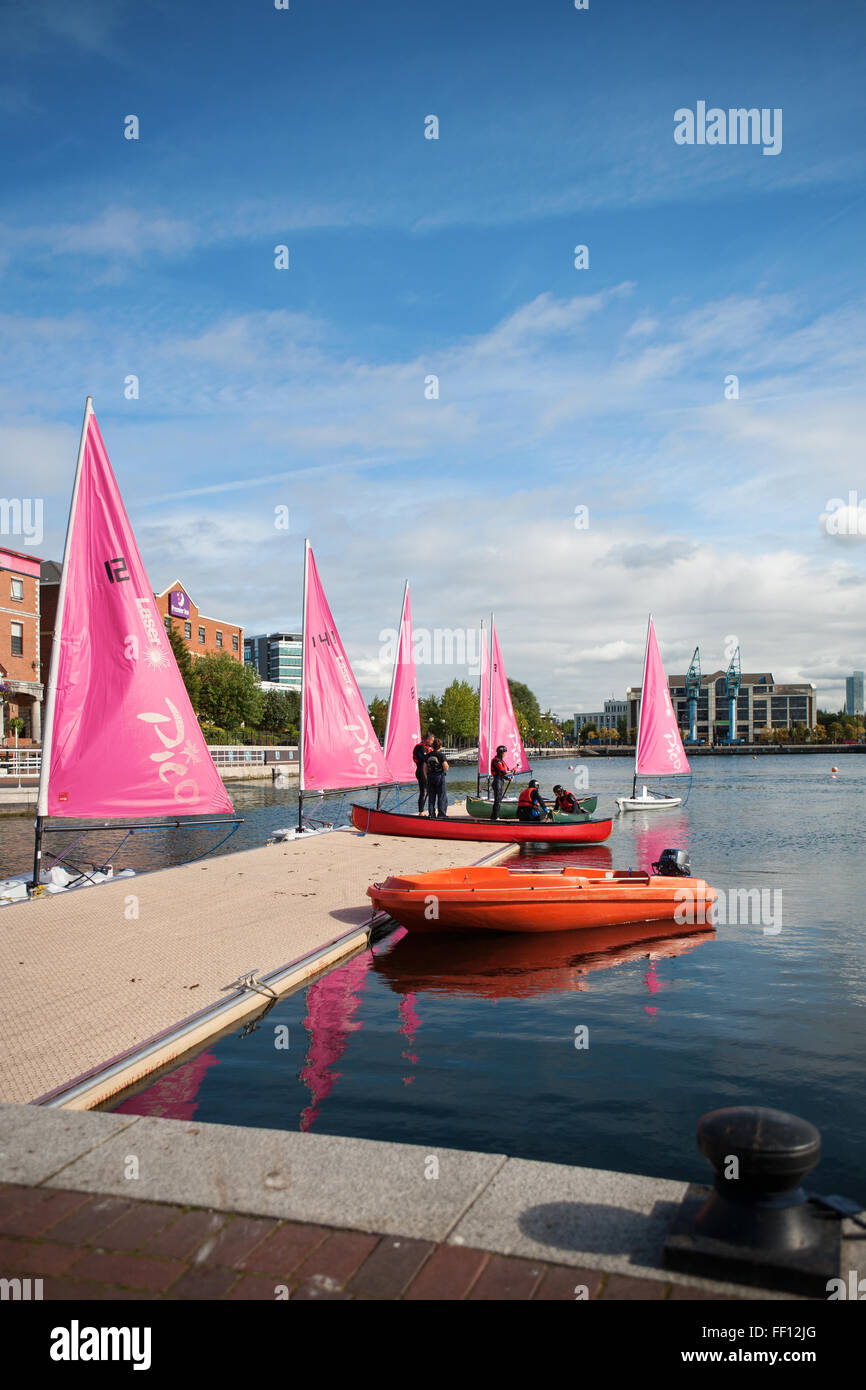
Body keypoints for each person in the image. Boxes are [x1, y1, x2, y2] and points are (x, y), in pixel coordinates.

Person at [426, 738, 449, 819]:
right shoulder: (441, 755)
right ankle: (441, 814)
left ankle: (431, 814)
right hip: (439, 776)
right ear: (440, 746)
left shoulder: (428, 755)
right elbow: (445, 767)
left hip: (430, 776)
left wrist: (426, 777)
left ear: (432, 746)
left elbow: (424, 768)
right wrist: (446, 768)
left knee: (431, 796)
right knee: (442, 796)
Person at [413, 732, 434, 814]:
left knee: (428, 791)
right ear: (427, 740)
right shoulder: (420, 747)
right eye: (432, 740)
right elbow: (424, 759)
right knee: (424, 791)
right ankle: (421, 812)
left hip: (425, 771)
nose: (432, 742)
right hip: (421, 771)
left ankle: (426, 810)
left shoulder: (427, 747)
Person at [490, 745, 511, 820]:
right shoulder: (497, 761)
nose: (505, 754)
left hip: (500, 780)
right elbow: (502, 771)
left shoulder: (500, 760)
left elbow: (501, 774)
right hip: (497, 782)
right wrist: (510, 772)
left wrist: (507, 778)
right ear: (501, 752)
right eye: (505, 752)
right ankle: (495, 816)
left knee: (499, 799)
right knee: (498, 800)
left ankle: (494, 816)